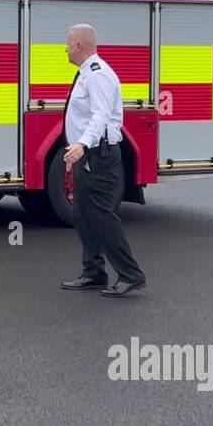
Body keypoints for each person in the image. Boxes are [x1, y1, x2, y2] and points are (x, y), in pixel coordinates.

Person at [58, 24, 147, 297]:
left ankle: (131, 274)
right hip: (88, 157)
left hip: (100, 157)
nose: (65, 48)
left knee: (102, 217)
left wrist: (82, 145)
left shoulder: (98, 75)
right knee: (83, 215)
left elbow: (99, 116)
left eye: (68, 43)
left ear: (79, 46)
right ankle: (94, 272)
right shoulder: (86, 74)